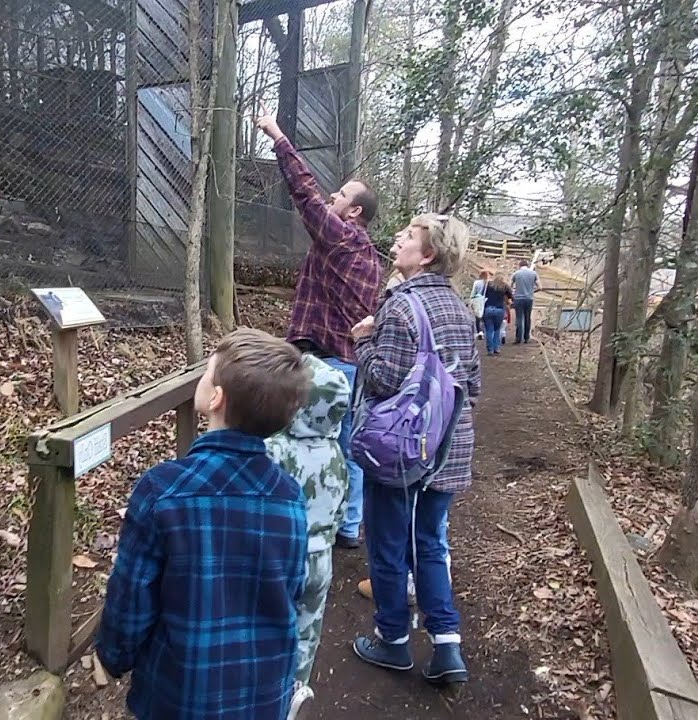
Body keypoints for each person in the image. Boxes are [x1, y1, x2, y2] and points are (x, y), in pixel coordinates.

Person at [96, 328, 311, 720]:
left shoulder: (163, 490)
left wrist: (112, 656)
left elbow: (131, 595)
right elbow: (291, 587)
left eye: (207, 370)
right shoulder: (290, 495)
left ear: (216, 398)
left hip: (181, 694)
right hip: (262, 693)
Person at [347, 213, 481, 687]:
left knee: (388, 545)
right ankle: (447, 647)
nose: (397, 240)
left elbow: (384, 380)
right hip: (450, 446)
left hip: (402, 448)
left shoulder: (400, 308)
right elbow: (474, 384)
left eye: (408, 236)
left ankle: (393, 642)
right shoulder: (462, 309)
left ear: (427, 255)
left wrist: (362, 342)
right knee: (430, 543)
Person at [255, 114, 383, 550]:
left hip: (327, 363)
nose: (334, 194)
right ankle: (349, 525)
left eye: (343, 193)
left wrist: (278, 138)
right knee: (348, 445)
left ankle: (303, 525)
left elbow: (306, 195)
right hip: (350, 363)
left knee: (302, 442)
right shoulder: (368, 254)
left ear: (355, 212)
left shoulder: (344, 239)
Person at [264, 354, 352, 719]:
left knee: (272, 622)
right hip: (321, 558)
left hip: (285, 556)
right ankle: (296, 687)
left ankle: (267, 690)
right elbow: (342, 506)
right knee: (308, 626)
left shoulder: (276, 449)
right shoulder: (336, 454)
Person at [482, 274, 513, 356]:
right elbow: (511, 296)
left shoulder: (488, 285)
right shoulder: (505, 286)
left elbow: (483, 294)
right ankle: (496, 348)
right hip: (499, 309)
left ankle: (490, 350)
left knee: (489, 330)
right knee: (497, 330)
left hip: (488, 309)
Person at [511, 259, 540, 343]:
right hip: (529, 298)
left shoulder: (516, 274)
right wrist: (532, 291)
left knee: (519, 318)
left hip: (518, 298)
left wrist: (513, 293)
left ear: (520, 266)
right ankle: (526, 337)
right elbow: (540, 287)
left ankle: (518, 338)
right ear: (527, 265)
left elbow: (510, 286)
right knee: (528, 317)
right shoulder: (533, 273)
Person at [470, 269, 490, 336]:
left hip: (478, 300)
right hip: (486, 300)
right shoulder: (488, 283)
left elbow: (473, 293)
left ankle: (479, 331)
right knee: (484, 316)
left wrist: (472, 299)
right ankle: (484, 330)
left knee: (478, 316)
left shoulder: (476, 282)